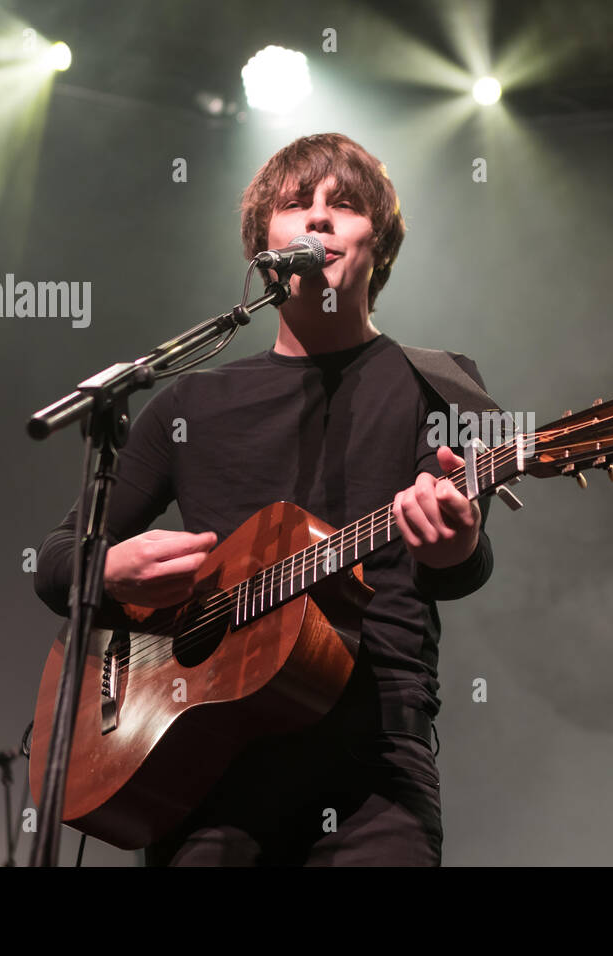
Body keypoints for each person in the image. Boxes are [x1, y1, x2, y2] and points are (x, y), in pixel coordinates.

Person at [33, 132, 494, 865]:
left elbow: (460, 564)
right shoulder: (191, 400)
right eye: (295, 206)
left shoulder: (440, 384)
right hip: (200, 760)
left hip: (372, 762)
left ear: (380, 244)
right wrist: (112, 568)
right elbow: (57, 561)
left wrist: (456, 542)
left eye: (343, 206)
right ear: (263, 245)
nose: (318, 220)